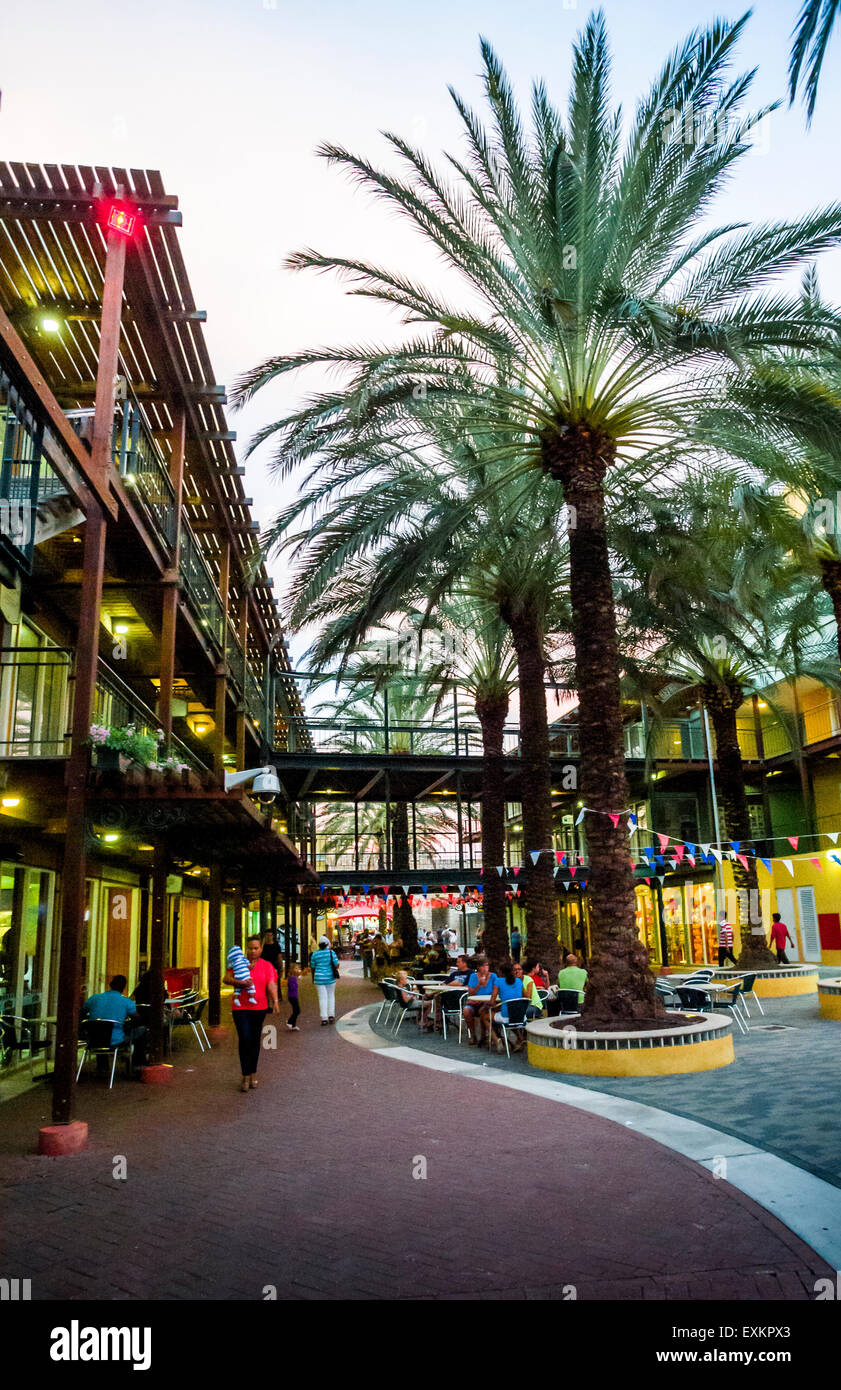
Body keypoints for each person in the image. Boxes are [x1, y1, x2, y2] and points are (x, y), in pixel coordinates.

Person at [224, 935, 279, 1092]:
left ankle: (252, 1073)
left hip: (259, 1008)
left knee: (254, 1040)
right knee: (245, 1038)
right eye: (250, 948)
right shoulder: (238, 962)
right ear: (246, 949)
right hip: (240, 1007)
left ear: (261, 949)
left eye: (256, 948)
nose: (253, 951)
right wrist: (239, 983)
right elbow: (225, 978)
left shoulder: (267, 966)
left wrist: (275, 1001)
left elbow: (271, 984)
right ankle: (245, 1075)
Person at [82, 975, 146, 1069]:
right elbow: (137, 1020)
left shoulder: (94, 998)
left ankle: (102, 1066)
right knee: (142, 1030)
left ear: (110, 984)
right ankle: (138, 1064)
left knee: (101, 1030)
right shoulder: (127, 1002)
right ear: (124, 987)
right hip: (115, 1040)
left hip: (93, 1039)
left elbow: (82, 1013)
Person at [462, 955, 497, 1046]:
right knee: (466, 1011)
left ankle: (483, 1036)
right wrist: (479, 985)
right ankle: (473, 1035)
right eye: (483, 966)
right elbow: (471, 993)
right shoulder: (473, 976)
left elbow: (496, 991)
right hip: (475, 1003)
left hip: (488, 1003)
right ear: (478, 967)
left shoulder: (493, 976)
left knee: (484, 1010)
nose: (486, 968)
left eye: (487, 965)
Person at [490, 959, 525, 1051]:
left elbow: (492, 1001)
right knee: (512, 1016)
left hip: (506, 1016)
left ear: (501, 972)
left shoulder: (498, 981)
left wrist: (493, 1006)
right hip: (521, 1015)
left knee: (485, 1015)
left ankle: (496, 1039)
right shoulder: (519, 981)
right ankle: (520, 1038)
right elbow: (524, 996)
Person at [310, 936, 340, 1024]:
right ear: (327, 944)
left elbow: (312, 967)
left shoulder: (315, 954)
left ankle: (324, 1018)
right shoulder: (331, 953)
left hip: (318, 978)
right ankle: (331, 1015)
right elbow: (337, 965)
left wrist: (313, 978)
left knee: (322, 998)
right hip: (330, 978)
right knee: (331, 996)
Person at [285, 962, 301, 1031]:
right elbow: (292, 987)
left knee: (296, 1010)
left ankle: (293, 1025)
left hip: (293, 996)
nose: (298, 970)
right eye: (296, 968)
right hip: (292, 997)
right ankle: (289, 1021)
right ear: (293, 969)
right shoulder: (292, 978)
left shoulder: (294, 977)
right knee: (297, 1011)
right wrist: (296, 984)